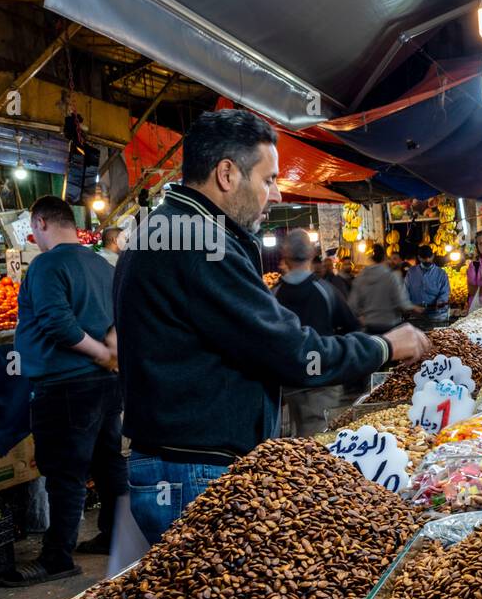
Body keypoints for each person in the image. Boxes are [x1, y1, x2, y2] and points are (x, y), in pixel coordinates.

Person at [114, 109, 430, 543]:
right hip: (193, 472)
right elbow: (293, 353)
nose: (277, 194)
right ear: (227, 173)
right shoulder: (201, 244)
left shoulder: (164, 229)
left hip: (175, 465)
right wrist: (384, 348)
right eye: (267, 179)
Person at [7, 195, 125, 586]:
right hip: (105, 386)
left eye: (32, 230)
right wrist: (110, 354)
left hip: (65, 385)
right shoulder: (102, 264)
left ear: (41, 223)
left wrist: (99, 354)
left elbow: (58, 324)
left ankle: (57, 556)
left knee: (64, 472)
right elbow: (117, 318)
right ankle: (114, 534)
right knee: (108, 461)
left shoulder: (45, 265)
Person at [275, 229, 362, 435]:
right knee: (320, 440)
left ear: (284, 255)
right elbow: (353, 328)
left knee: (298, 442)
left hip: (290, 381)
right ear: (313, 254)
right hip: (323, 379)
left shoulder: (273, 295)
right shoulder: (326, 291)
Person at [349, 243, 414, 333]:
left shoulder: (360, 277)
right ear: (384, 257)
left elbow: (352, 305)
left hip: (370, 327)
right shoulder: (391, 276)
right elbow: (401, 303)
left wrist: (361, 316)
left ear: (370, 258)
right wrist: (413, 307)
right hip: (390, 327)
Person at [405, 244, 451, 328]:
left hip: (436, 315)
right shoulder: (411, 272)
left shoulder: (441, 273)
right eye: (424, 258)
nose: (427, 260)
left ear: (433, 256)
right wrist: (411, 306)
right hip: (416, 315)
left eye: (429, 257)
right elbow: (405, 291)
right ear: (419, 257)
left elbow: (445, 292)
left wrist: (440, 302)